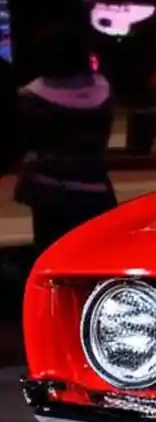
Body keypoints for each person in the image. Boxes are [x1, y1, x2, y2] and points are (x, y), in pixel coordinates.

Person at [13, 25, 116, 256]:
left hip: (49, 191)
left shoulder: (30, 98)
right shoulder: (105, 90)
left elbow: (22, 142)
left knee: (52, 253)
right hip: (95, 186)